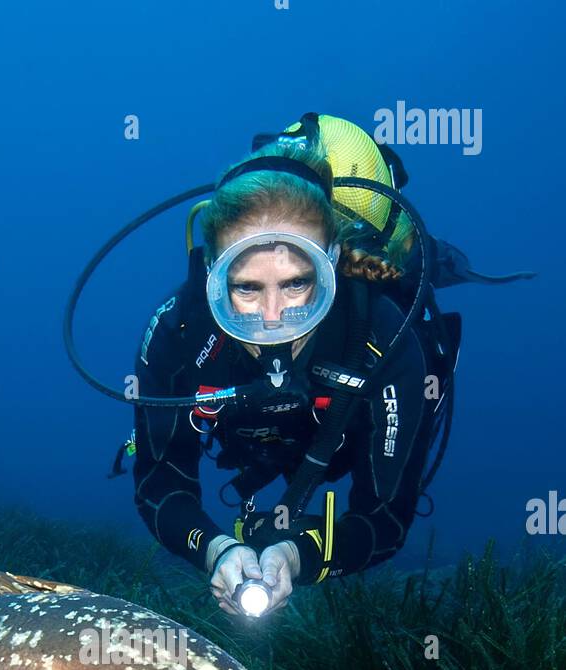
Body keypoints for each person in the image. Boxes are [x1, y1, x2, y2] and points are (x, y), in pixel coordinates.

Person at [131, 115, 458, 617]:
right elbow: (159, 483)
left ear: (331, 263)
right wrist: (216, 548)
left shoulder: (385, 340)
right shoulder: (177, 334)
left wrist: (299, 556)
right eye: (245, 289)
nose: (273, 320)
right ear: (212, 277)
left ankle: (438, 259)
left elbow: (385, 519)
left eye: (297, 284)